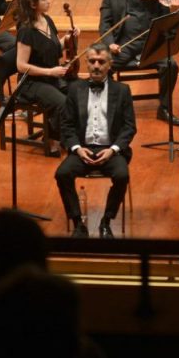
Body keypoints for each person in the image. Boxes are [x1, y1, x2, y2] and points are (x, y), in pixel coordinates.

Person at [55, 47, 136, 238]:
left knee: (122, 176)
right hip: (82, 149)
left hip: (110, 150)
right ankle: (78, 223)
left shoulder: (122, 90)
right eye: (92, 61)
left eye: (101, 62)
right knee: (62, 174)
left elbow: (129, 127)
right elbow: (66, 124)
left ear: (110, 65)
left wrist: (113, 150)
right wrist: (77, 148)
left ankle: (106, 221)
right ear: (87, 63)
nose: (96, 66)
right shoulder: (75, 89)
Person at [98, 0, 179, 122]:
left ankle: (164, 107)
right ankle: (110, 108)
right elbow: (105, 23)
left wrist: (173, 9)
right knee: (103, 65)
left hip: (151, 43)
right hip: (125, 44)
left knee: (171, 65)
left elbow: (166, 18)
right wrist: (110, 44)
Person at [12, 0, 73, 150]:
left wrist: (67, 38)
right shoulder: (26, 30)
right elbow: (21, 66)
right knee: (61, 102)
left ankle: (70, 135)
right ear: (33, 4)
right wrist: (50, 71)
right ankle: (53, 138)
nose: (49, 1)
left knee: (78, 92)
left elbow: (53, 47)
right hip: (31, 83)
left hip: (50, 77)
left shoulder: (47, 20)